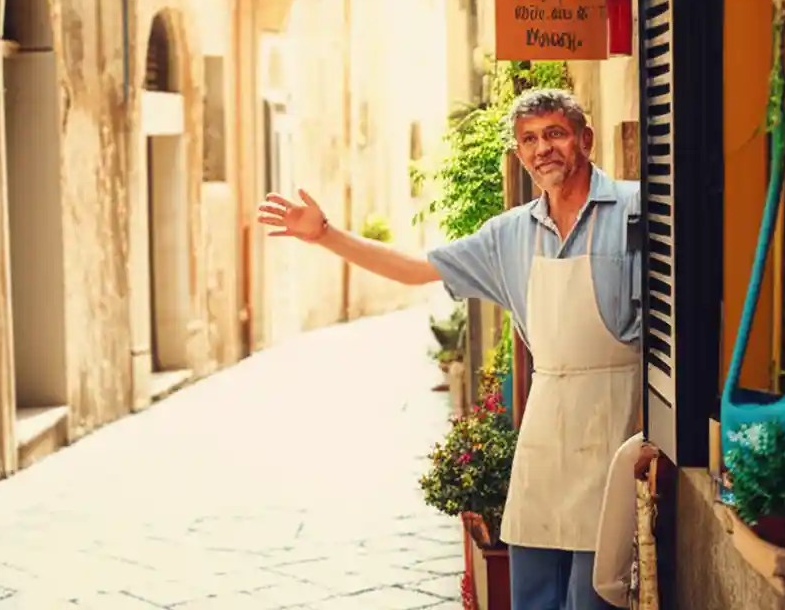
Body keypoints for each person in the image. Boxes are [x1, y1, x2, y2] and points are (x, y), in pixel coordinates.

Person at [258, 88, 644, 610]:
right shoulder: (507, 234)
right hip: (547, 428)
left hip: (619, 418)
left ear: (586, 139)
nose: (542, 148)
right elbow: (416, 269)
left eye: (555, 133)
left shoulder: (638, 208)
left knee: (597, 590)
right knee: (533, 587)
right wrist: (327, 235)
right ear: (519, 152)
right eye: (529, 139)